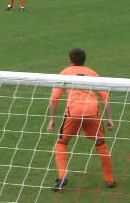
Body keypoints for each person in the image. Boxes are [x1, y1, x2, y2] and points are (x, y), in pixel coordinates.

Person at [48, 47, 116, 190]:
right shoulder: (92, 73)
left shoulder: (65, 73)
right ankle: (110, 180)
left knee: (62, 143)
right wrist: (109, 118)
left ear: (70, 60)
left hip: (74, 111)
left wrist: (52, 120)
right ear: (84, 60)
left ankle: (63, 176)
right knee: (100, 143)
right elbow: (105, 96)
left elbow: (54, 98)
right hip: (92, 111)